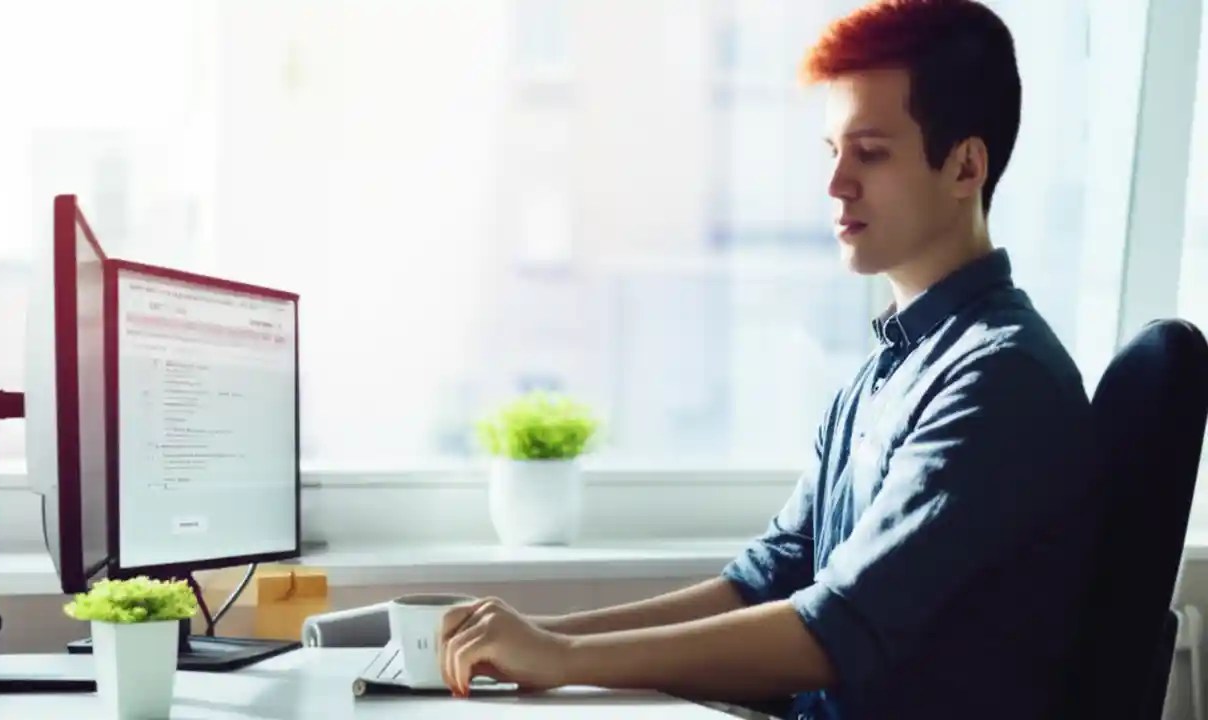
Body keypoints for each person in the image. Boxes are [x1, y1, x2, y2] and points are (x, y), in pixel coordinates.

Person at [436, 1, 1100, 717]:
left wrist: (562, 660)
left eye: (870, 153)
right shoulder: (887, 370)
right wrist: (536, 645)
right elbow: (765, 579)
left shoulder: (999, 379)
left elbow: (833, 630)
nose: (836, 183)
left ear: (966, 165)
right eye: (831, 150)